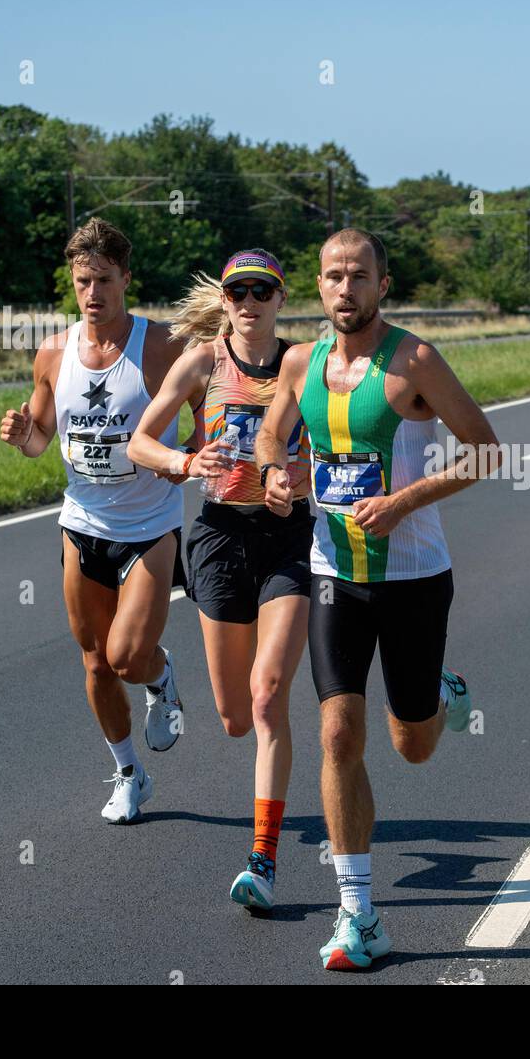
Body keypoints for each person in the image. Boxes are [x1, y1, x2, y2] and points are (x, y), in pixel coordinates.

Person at [257, 228, 498, 970]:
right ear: (319, 285)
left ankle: (435, 693)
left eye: (358, 276)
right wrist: (275, 476)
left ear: (382, 285)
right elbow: (271, 438)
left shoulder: (415, 361)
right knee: (337, 735)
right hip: (334, 573)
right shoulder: (300, 363)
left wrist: (405, 499)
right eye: (332, 276)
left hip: (415, 577)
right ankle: (359, 913)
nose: (344, 289)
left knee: (413, 745)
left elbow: (488, 449)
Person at [128, 248, 313, 910]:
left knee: (268, 700)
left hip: (288, 539)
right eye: (239, 291)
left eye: (262, 290)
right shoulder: (205, 361)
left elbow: (340, 451)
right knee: (235, 718)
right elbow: (139, 443)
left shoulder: (303, 364)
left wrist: (300, 479)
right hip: (218, 538)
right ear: (227, 300)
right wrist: (184, 459)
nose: (249, 302)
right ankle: (171, 676)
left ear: (280, 299)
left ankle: (262, 860)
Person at [0, 217, 190, 824]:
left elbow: (206, 414)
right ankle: (130, 773)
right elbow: (40, 440)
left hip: (150, 526)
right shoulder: (53, 352)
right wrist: (22, 435)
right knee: (95, 661)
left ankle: (162, 679)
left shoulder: (158, 347)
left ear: (126, 279)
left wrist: (190, 459)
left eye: (104, 280)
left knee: (130, 655)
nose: (92, 294)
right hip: (82, 523)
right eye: (82, 281)